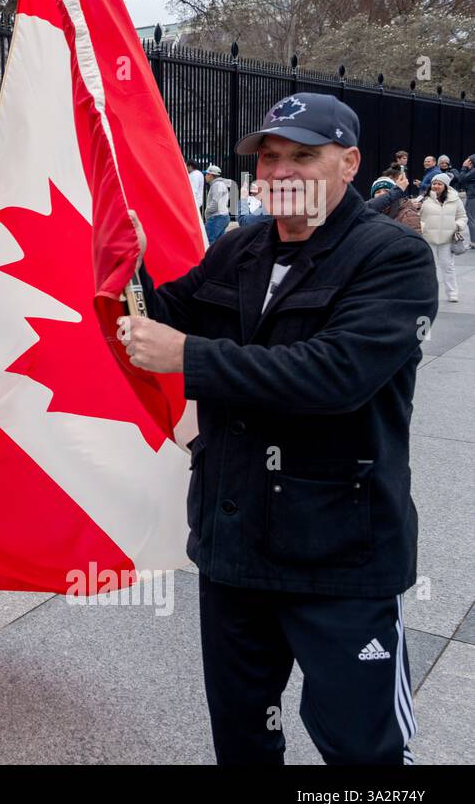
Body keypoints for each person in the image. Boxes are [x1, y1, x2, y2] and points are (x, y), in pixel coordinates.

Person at [120, 92, 435, 765]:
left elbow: (334, 376)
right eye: (269, 157)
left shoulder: (394, 257)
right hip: (234, 550)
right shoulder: (240, 248)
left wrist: (189, 359)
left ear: (349, 163)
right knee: (242, 743)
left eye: (303, 155)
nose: (280, 171)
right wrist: (130, 269)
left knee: (365, 753)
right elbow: (169, 314)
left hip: (340, 557)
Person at [419, 171, 466, 303]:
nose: (436, 186)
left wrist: (456, 226)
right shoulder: (425, 198)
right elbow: (416, 215)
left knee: (448, 266)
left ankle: (452, 292)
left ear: (445, 185)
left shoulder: (455, 199)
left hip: (447, 239)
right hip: (428, 238)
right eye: (434, 183)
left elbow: (462, 216)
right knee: (429, 267)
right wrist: (422, 226)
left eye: (439, 183)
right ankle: (428, 293)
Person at [202, 165, 233, 244]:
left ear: (211, 175)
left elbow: (215, 203)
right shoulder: (221, 184)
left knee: (209, 241)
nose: (205, 176)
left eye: (207, 174)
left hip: (216, 217)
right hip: (222, 216)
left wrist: (207, 212)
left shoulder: (217, 185)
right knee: (219, 243)